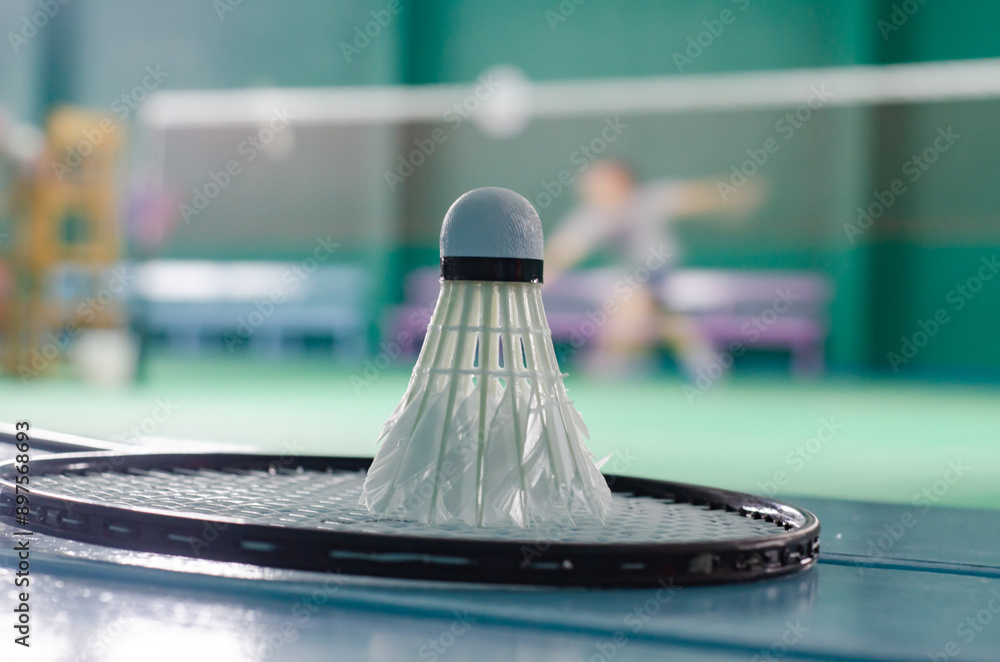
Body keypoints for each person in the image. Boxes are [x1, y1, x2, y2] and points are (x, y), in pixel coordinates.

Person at [544, 159, 764, 379]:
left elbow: (697, 197)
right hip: (632, 276)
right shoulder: (592, 216)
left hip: (662, 271)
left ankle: (611, 368)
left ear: (619, 181)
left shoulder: (650, 199)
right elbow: (563, 250)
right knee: (666, 321)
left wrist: (736, 196)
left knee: (633, 307)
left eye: (598, 180)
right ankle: (703, 369)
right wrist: (538, 281)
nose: (589, 186)